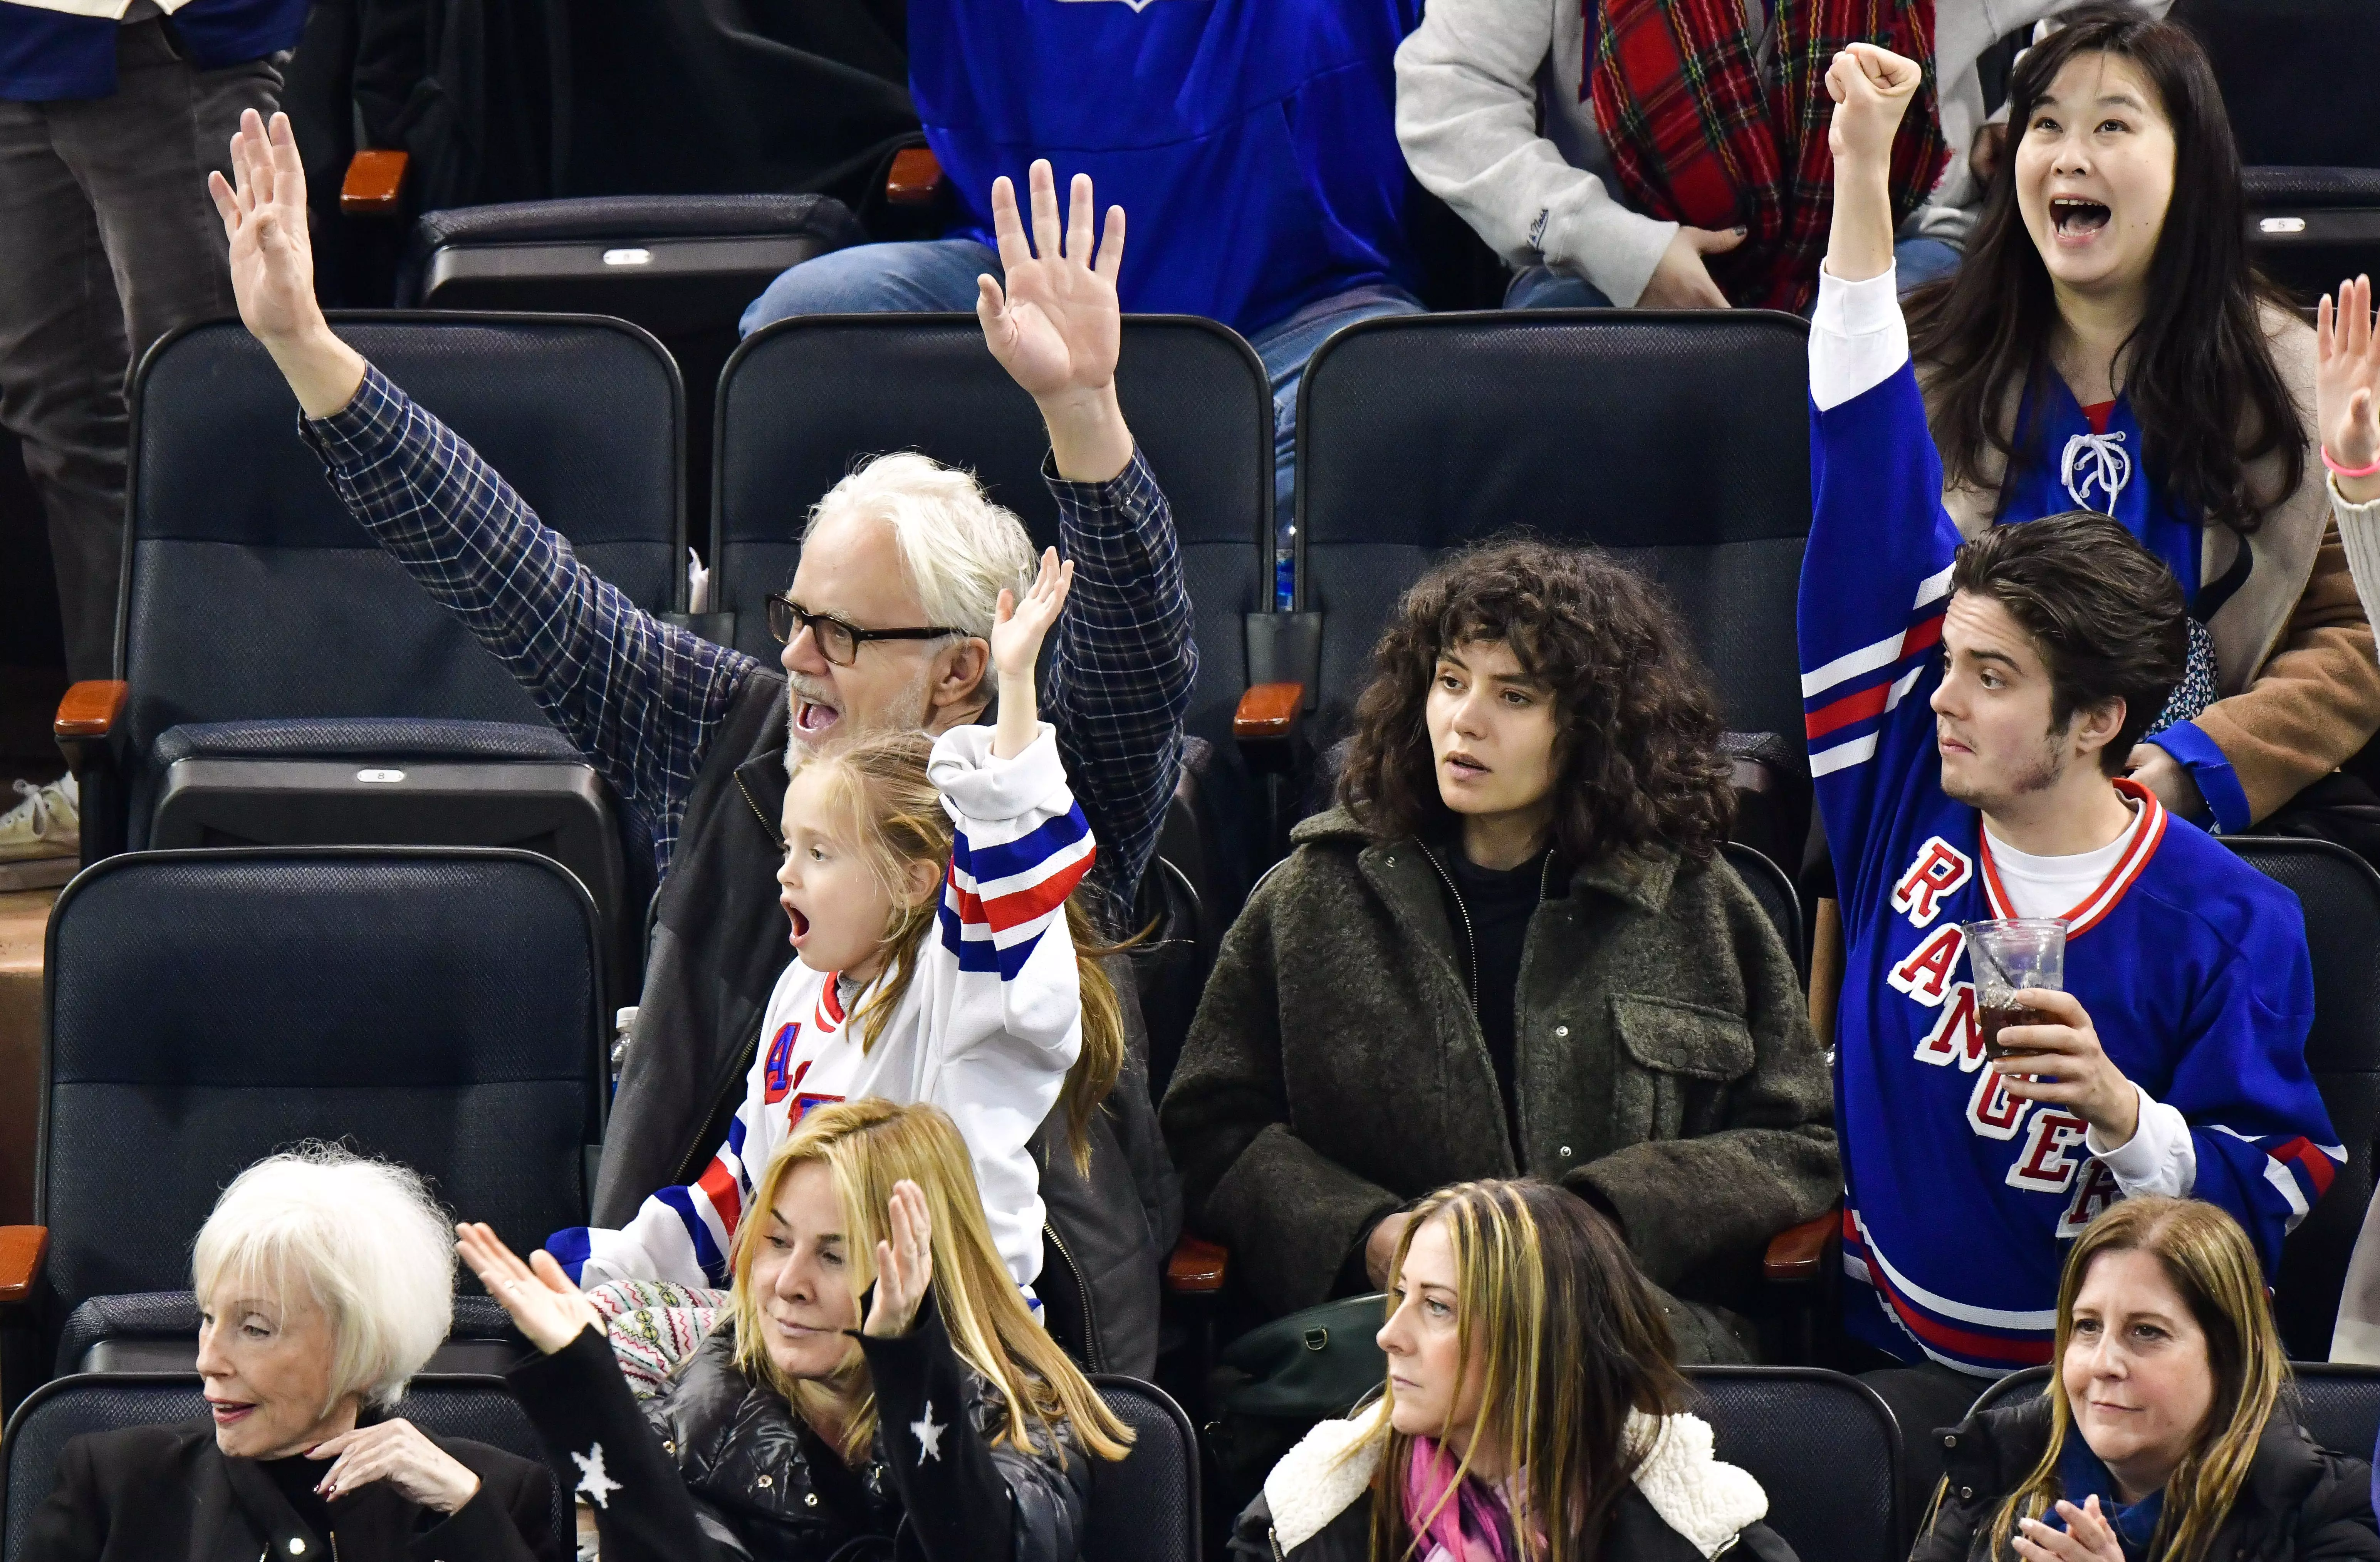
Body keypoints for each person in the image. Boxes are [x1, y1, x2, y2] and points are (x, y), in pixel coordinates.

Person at [209, 115, 1190, 1369]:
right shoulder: (728, 733)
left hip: (988, 1382)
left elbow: (1143, 658)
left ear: (959, 666)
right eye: (791, 618)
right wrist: (306, 348)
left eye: (837, 634)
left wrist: (1081, 409)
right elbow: (517, 578)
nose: (793, 660)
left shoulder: (1043, 806)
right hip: (725, 1331)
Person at [1803, 37, 2340, 1495]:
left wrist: (2126, 1116)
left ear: (2100, 717)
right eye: (1945, 662)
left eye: (1987, 677)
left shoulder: (2234, 917)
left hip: (2113, 1425)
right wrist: (1861, 175)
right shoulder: (1889, 784)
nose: (1939, 700)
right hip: (1886, 1380)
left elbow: (2277, 1187)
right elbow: (1858, 455)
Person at [1161, 540, 1837, 1363]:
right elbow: (1210, 1130)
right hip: (1387, 1360)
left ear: (1593, 728)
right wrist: (1370, 1234)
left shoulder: (1697, 902)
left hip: (1633, 1354)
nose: (1463, 720)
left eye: (1512, 694)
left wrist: (1603, 1218)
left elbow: (1798, 1138)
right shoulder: (1312, 895)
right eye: (1450, 681)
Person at [554, 548, 1115, 1302]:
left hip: (950, 1344)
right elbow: (744, 1188)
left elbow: (1016, 872)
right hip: (811, 1316)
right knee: (594, 1326)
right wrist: (607, 1269)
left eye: (819, 852)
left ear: (916, 880)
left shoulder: (969, 978)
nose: (786, 872)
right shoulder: (798, 993)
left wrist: (1015, 690)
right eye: (788, 846)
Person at [1905, 3, 2380, 846]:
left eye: (2111, 125)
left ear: (2187, 167)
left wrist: (2200, 764)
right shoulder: (1924, 368)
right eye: (2043, 124)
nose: (2068, 155)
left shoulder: (2297, 380)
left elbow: (2352, 639)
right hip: (1958, 815)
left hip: (2195, 833)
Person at [738, 0, 1429, 520]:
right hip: (1020, 285)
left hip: (1292, 310)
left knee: (1378, 382)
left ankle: (1231, 656)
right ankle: (834, 638)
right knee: (800, 323)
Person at [459, 1098, 1133, 1562]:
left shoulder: (1025, 1421)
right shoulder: (697, 1418)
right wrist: (591, 1394)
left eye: (834, 1255)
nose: (789, 1282)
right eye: (777, 1243)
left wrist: (906, 1360)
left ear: (923, 1267)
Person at [19, 1146, 558, 1562]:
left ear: (364, 1349)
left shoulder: (488, 1496)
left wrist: (470, 1515)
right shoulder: (112, 1482)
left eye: (254, 1328)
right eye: (209, 1317)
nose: (209, 1360)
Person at [1235, 1178, 1797, 1562]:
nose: (1388, 1335)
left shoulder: (1694, 1532)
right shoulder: (1311, 1514)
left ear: (1536, 1339)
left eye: (1437, 1306)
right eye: (1399, 1294)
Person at [0, 0, 296, 686]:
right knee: (65, 424)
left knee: (212, 425)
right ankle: (111, 771)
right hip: (19, 44)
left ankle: (241, 754)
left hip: (169, 44)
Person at [1395, 0, 1962, 315]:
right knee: (1570, 370)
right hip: (1609, 259)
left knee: (1943, 348)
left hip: (1893, 239)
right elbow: (1449, 96)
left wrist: (2027, 121)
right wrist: (1611, 245)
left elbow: (2056, 35)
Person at [1914, 1196, 2380, 1562]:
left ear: (2233, 1353)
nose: (2104, 1363)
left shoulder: (2326, 1508)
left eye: (2146, 1332)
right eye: (2087, 1326)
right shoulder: (1993, 1469)